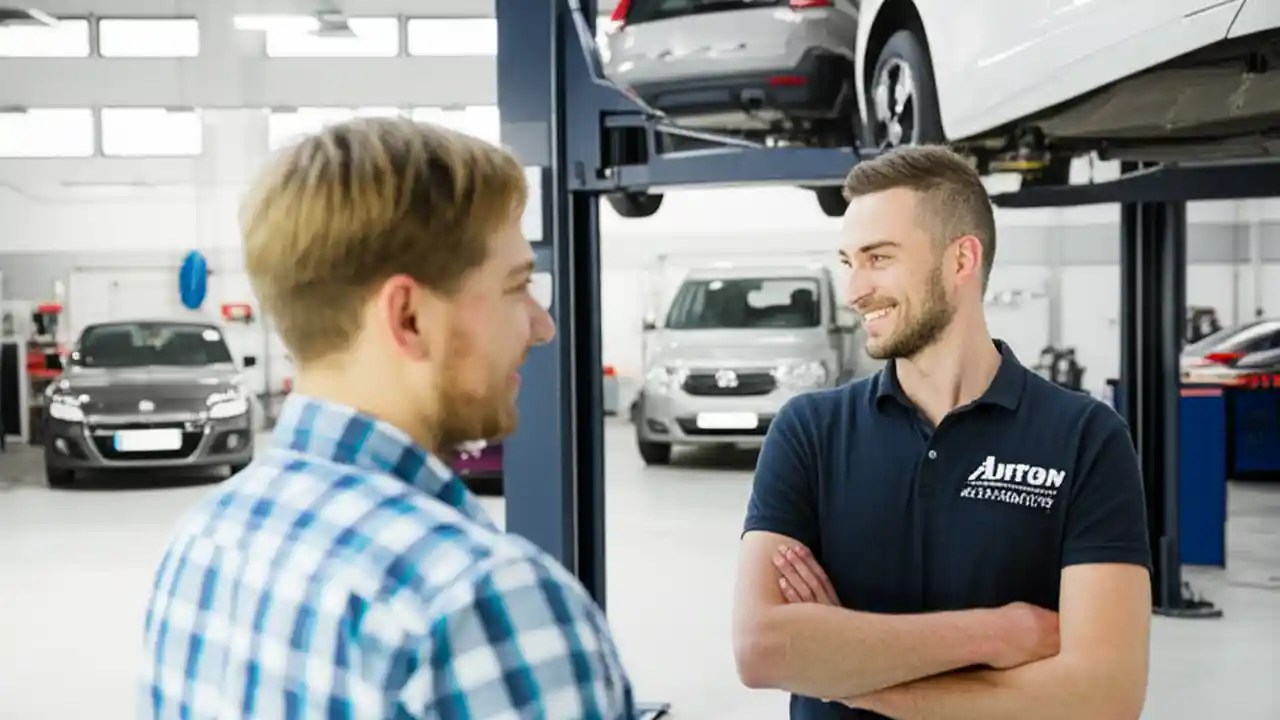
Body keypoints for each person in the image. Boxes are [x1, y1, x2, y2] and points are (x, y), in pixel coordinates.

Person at [138, 118, 635, 719]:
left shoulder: (206, 538)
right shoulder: (481, 600)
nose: (542, 324)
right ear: (409, 318)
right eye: (517, 286)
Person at [732, 145, 1152, 719]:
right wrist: (999, 633)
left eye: (879, 258)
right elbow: (762, 649)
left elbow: (1105, 697)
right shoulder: (809, 432)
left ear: (961, 260)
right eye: (849, 261)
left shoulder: (1085, 437)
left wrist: (851, 680)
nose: (854, 290)